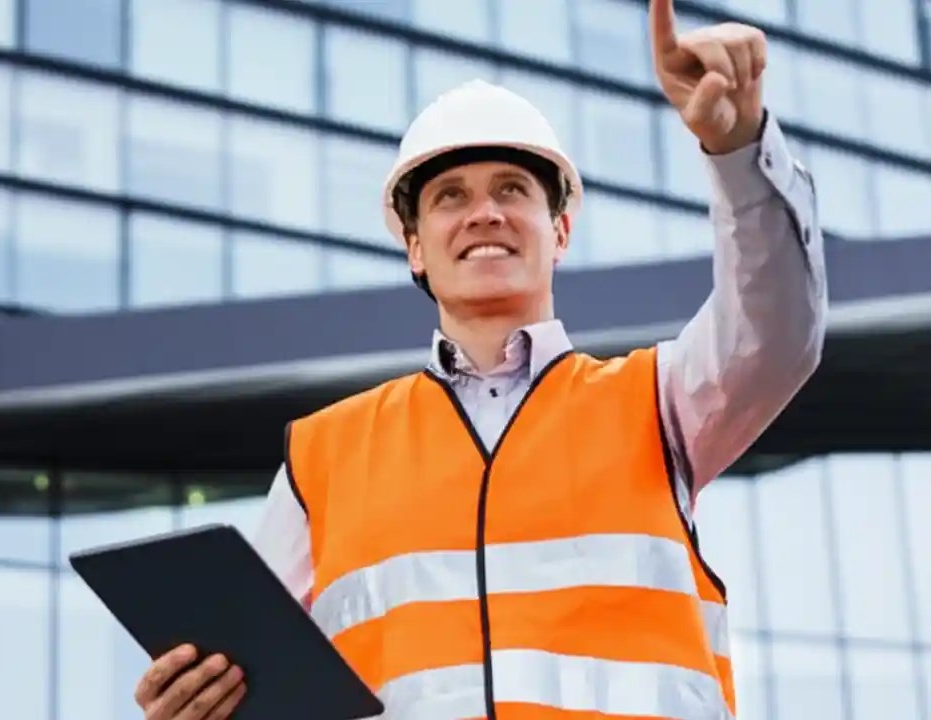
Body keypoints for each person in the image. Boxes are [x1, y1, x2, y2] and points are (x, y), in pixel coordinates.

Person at [132, 0, 826, 717]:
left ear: (559, 231)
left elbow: (777, 330)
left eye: (512, 190)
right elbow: (256, 679)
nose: (483, 213)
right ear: (414, 247)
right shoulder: (322, 458)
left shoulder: (658, 401)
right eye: (450, 197)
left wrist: (739, 150)